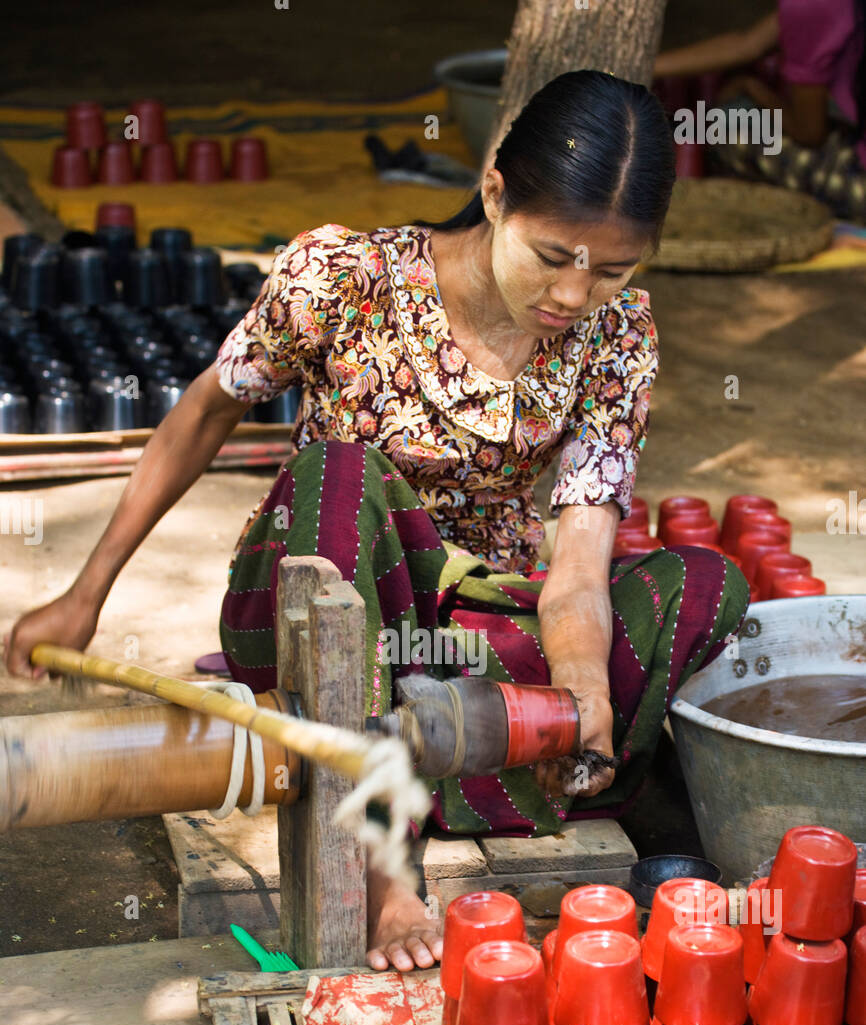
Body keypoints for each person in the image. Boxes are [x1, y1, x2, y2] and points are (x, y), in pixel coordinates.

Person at [4, 71, 749, 973]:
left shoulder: (617, 337)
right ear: (494, 193)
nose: (574, 293)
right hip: (321, 608)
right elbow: (203, 411)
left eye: (613, 270)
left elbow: (581, 566)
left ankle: (480, 748)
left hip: (458, 642)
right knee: (346, 470)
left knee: (704, 585)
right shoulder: (344, 279)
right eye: (553, 256)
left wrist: (581, 693)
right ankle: (386, 859)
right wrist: (86, 593)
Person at [654, 2, 866, 219]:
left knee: (729, 134)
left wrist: (755, 90)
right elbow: (746, 45)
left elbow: (811, 134)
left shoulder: (809, 7)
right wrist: (640, 67)